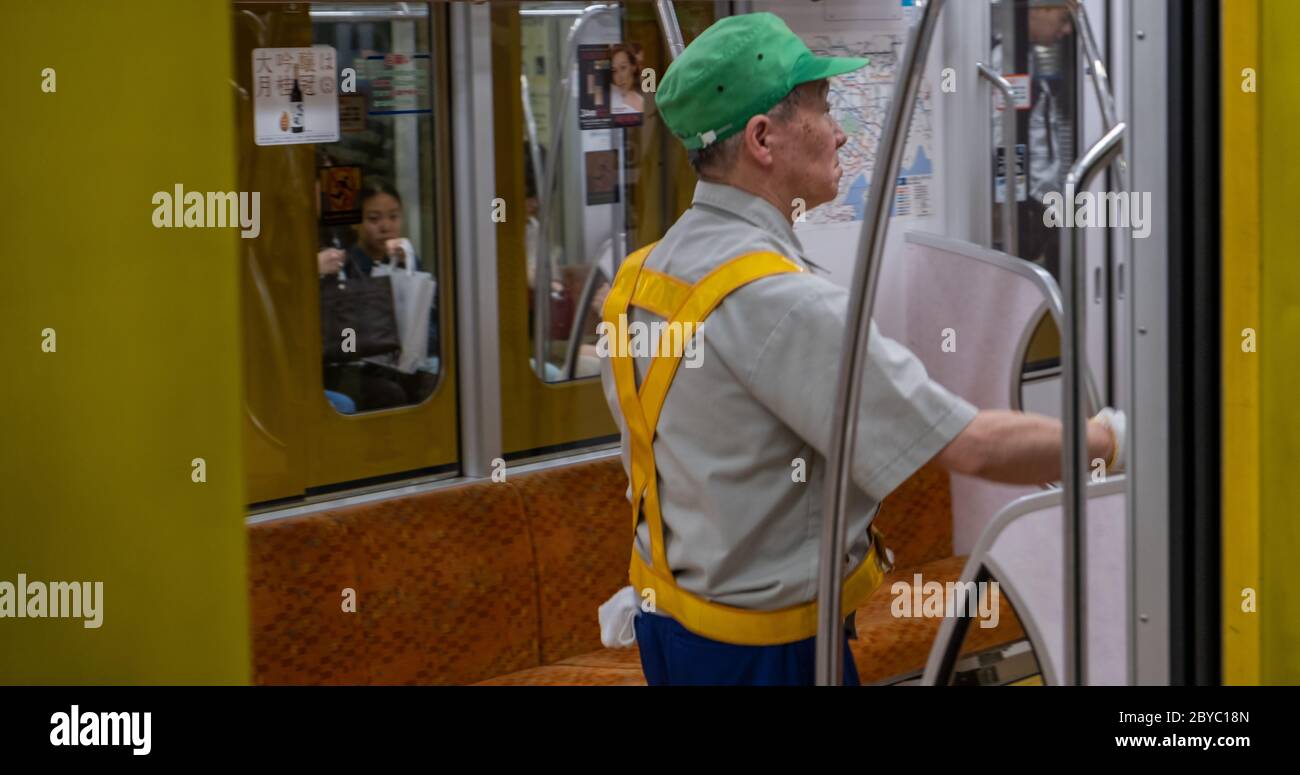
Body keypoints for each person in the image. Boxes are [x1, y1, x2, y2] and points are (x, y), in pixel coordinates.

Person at [597, 12, 1126, 686]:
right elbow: (972, 446)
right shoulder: (783, 302)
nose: (842, 129)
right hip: (767, 654)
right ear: (763, 138)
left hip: (672, 628)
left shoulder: (646, 272)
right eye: (822, 107)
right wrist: (1111, 440)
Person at [318, 178, 438, 410]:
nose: (385, 226)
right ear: (356, 224)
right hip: (358, 368)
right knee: (390, 393)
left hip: (404, 362)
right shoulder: (345, 266)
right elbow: (347, 339)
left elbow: (429, 326)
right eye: (374, 219)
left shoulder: (409, 265)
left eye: (393, 217)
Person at [991, 0, 1075, 276]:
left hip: (1043, 199)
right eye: (1062, 19)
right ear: (1039, 9)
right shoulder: (1005, 61)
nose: (1064, 30)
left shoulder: (1032, 59)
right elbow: (1003, 137)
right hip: (1028, 203)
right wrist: (1013, 201)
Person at [609, 43, 644, 115]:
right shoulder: (608, 97)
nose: (619, 77)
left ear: (633, 67)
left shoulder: (643, 102)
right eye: (614, 71)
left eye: (623, 67)